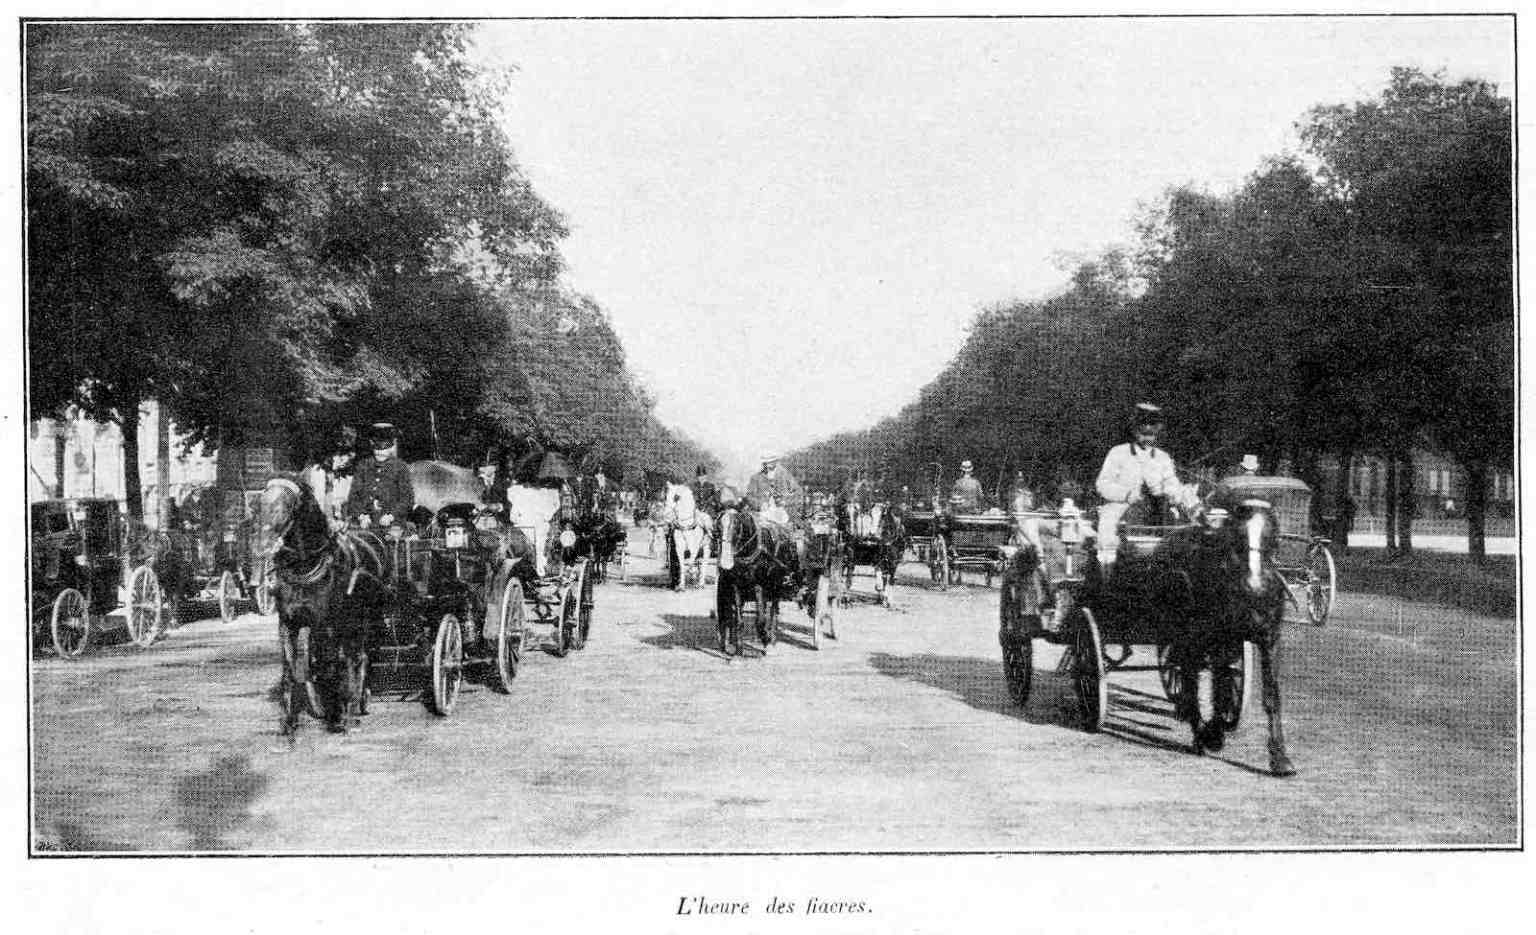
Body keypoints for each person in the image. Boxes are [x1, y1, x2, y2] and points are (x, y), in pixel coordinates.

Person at [1094, 403, 1200, 574]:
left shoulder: (1162, 457)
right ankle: (1107, 575)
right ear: (1135, 431)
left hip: (1157, 510)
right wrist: (1127, 494)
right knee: (1107, 532)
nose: (1147, 439)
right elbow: (1102, 484)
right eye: (1143, 434)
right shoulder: (1118, 453)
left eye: (1151, 435)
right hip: (1121, 507)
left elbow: (1172, 483)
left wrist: (1174, 493)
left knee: (1181, 531)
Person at [343, 422, 415, 528]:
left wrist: (391, 516)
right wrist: (361, 515)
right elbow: (353, 497)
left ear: (391, 448)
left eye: (384, 450)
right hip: (365, 524)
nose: (380, 453)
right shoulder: (363, 466)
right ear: (372, 446)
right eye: (377, 450)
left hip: (393, 525)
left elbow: (407, 499)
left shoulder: (400, 467)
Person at [745, 453, 805, 525]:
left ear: (776, 462)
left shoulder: (785, 475)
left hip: (783, 513)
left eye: (770, 462)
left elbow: (798, 493)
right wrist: (760, 504)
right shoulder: (756, 478)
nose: (767, 465)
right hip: (761, 513)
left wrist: (785, 502)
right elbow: (749, 496)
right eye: (765, 463)